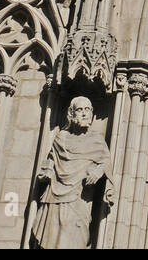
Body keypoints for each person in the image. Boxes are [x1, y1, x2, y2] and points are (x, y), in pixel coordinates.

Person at [31, 96, 114, 249]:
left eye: (87, 110)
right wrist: (47, 171)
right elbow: (51, 160)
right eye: (80, 110)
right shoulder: (61, 138)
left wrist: (98, 172)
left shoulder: (97, 141)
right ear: (71, 113)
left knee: (76, 238)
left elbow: (105, 163)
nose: (84, 114)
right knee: (52, 236)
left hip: (79, 199)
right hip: (55, 197)